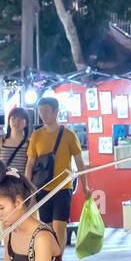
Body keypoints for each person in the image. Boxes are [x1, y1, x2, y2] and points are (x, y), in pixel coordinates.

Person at [25, 97, 89, 246]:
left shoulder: (69, 135)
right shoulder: (36, 136)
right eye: (40, 111)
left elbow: (80, 162)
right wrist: (27, 187)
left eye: (46, 110)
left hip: (63, 188)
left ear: (56, 111)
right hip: (42, 188)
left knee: (60, 228)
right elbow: (30, 164)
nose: (43, 114)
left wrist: (85, 185)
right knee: (47, 229)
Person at [0, 106, 31, 181]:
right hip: (3, 185)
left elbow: (30, 168)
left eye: (21, 119)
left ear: (26, 123)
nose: (17, 121)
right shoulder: (0, 141)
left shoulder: (29, 143)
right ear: (9, 121)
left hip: (21, 186)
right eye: (13, 118)